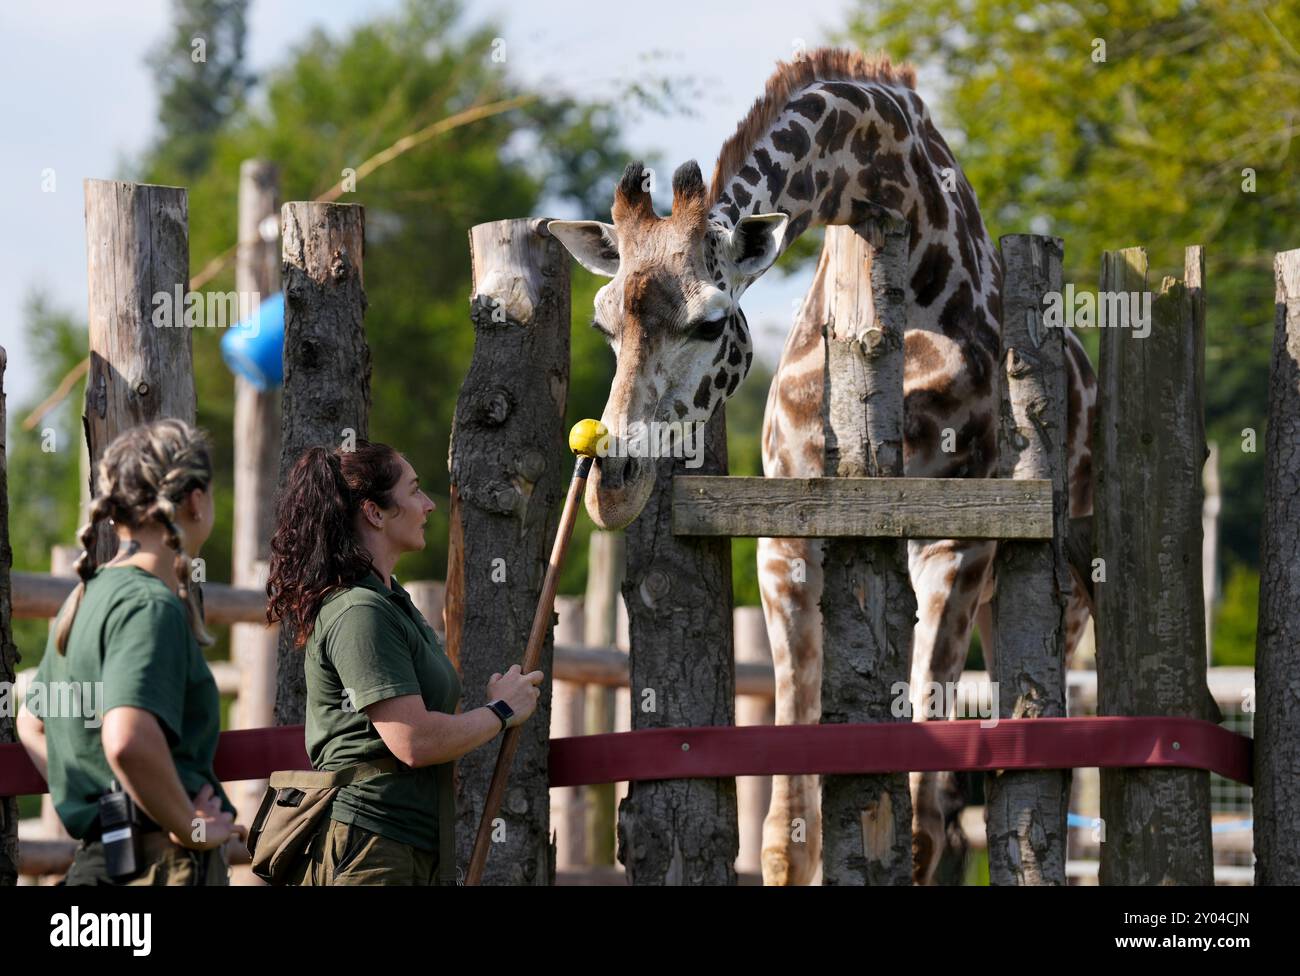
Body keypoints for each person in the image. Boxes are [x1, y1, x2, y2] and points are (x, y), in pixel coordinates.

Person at [266, 439, 542, 885]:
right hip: (370, 848)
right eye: (414, 491)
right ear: (375, 512)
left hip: (406, 844)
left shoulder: (392, 601)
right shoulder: (359, 611)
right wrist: (501, 712)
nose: (430, 505)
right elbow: (414, 742)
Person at [17, 418, 245, 885]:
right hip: (160, 867)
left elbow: (32, 722)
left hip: (104, 864)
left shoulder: (83, 598)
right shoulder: (149, 605)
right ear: (196, 501)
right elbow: (127, 738)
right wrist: (191, 825)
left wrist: (106, 798)